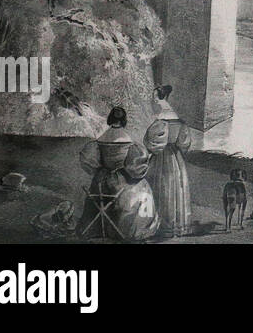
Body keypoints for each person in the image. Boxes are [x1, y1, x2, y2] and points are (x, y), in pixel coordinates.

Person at [76, 107, 159, 240]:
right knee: (144, 190)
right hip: (121, 182)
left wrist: (102, 168)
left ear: (110, 118)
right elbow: (136, 169)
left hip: (101, 181)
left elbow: (89, 161)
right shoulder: (127, 139)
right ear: (124, 120)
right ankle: (131, 228)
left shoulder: (101, 138)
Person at [145, 85, 192, 238]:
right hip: (176, 159)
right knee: (175, 189)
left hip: (161, 158)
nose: (153, 100)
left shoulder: (160, 121)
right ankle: (174, 226)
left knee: (160, 187)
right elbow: (184, 144)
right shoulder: (179, 121)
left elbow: (150, 142)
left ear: (160, 99)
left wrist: (153, 148)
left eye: (155, 97)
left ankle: (160, 225)